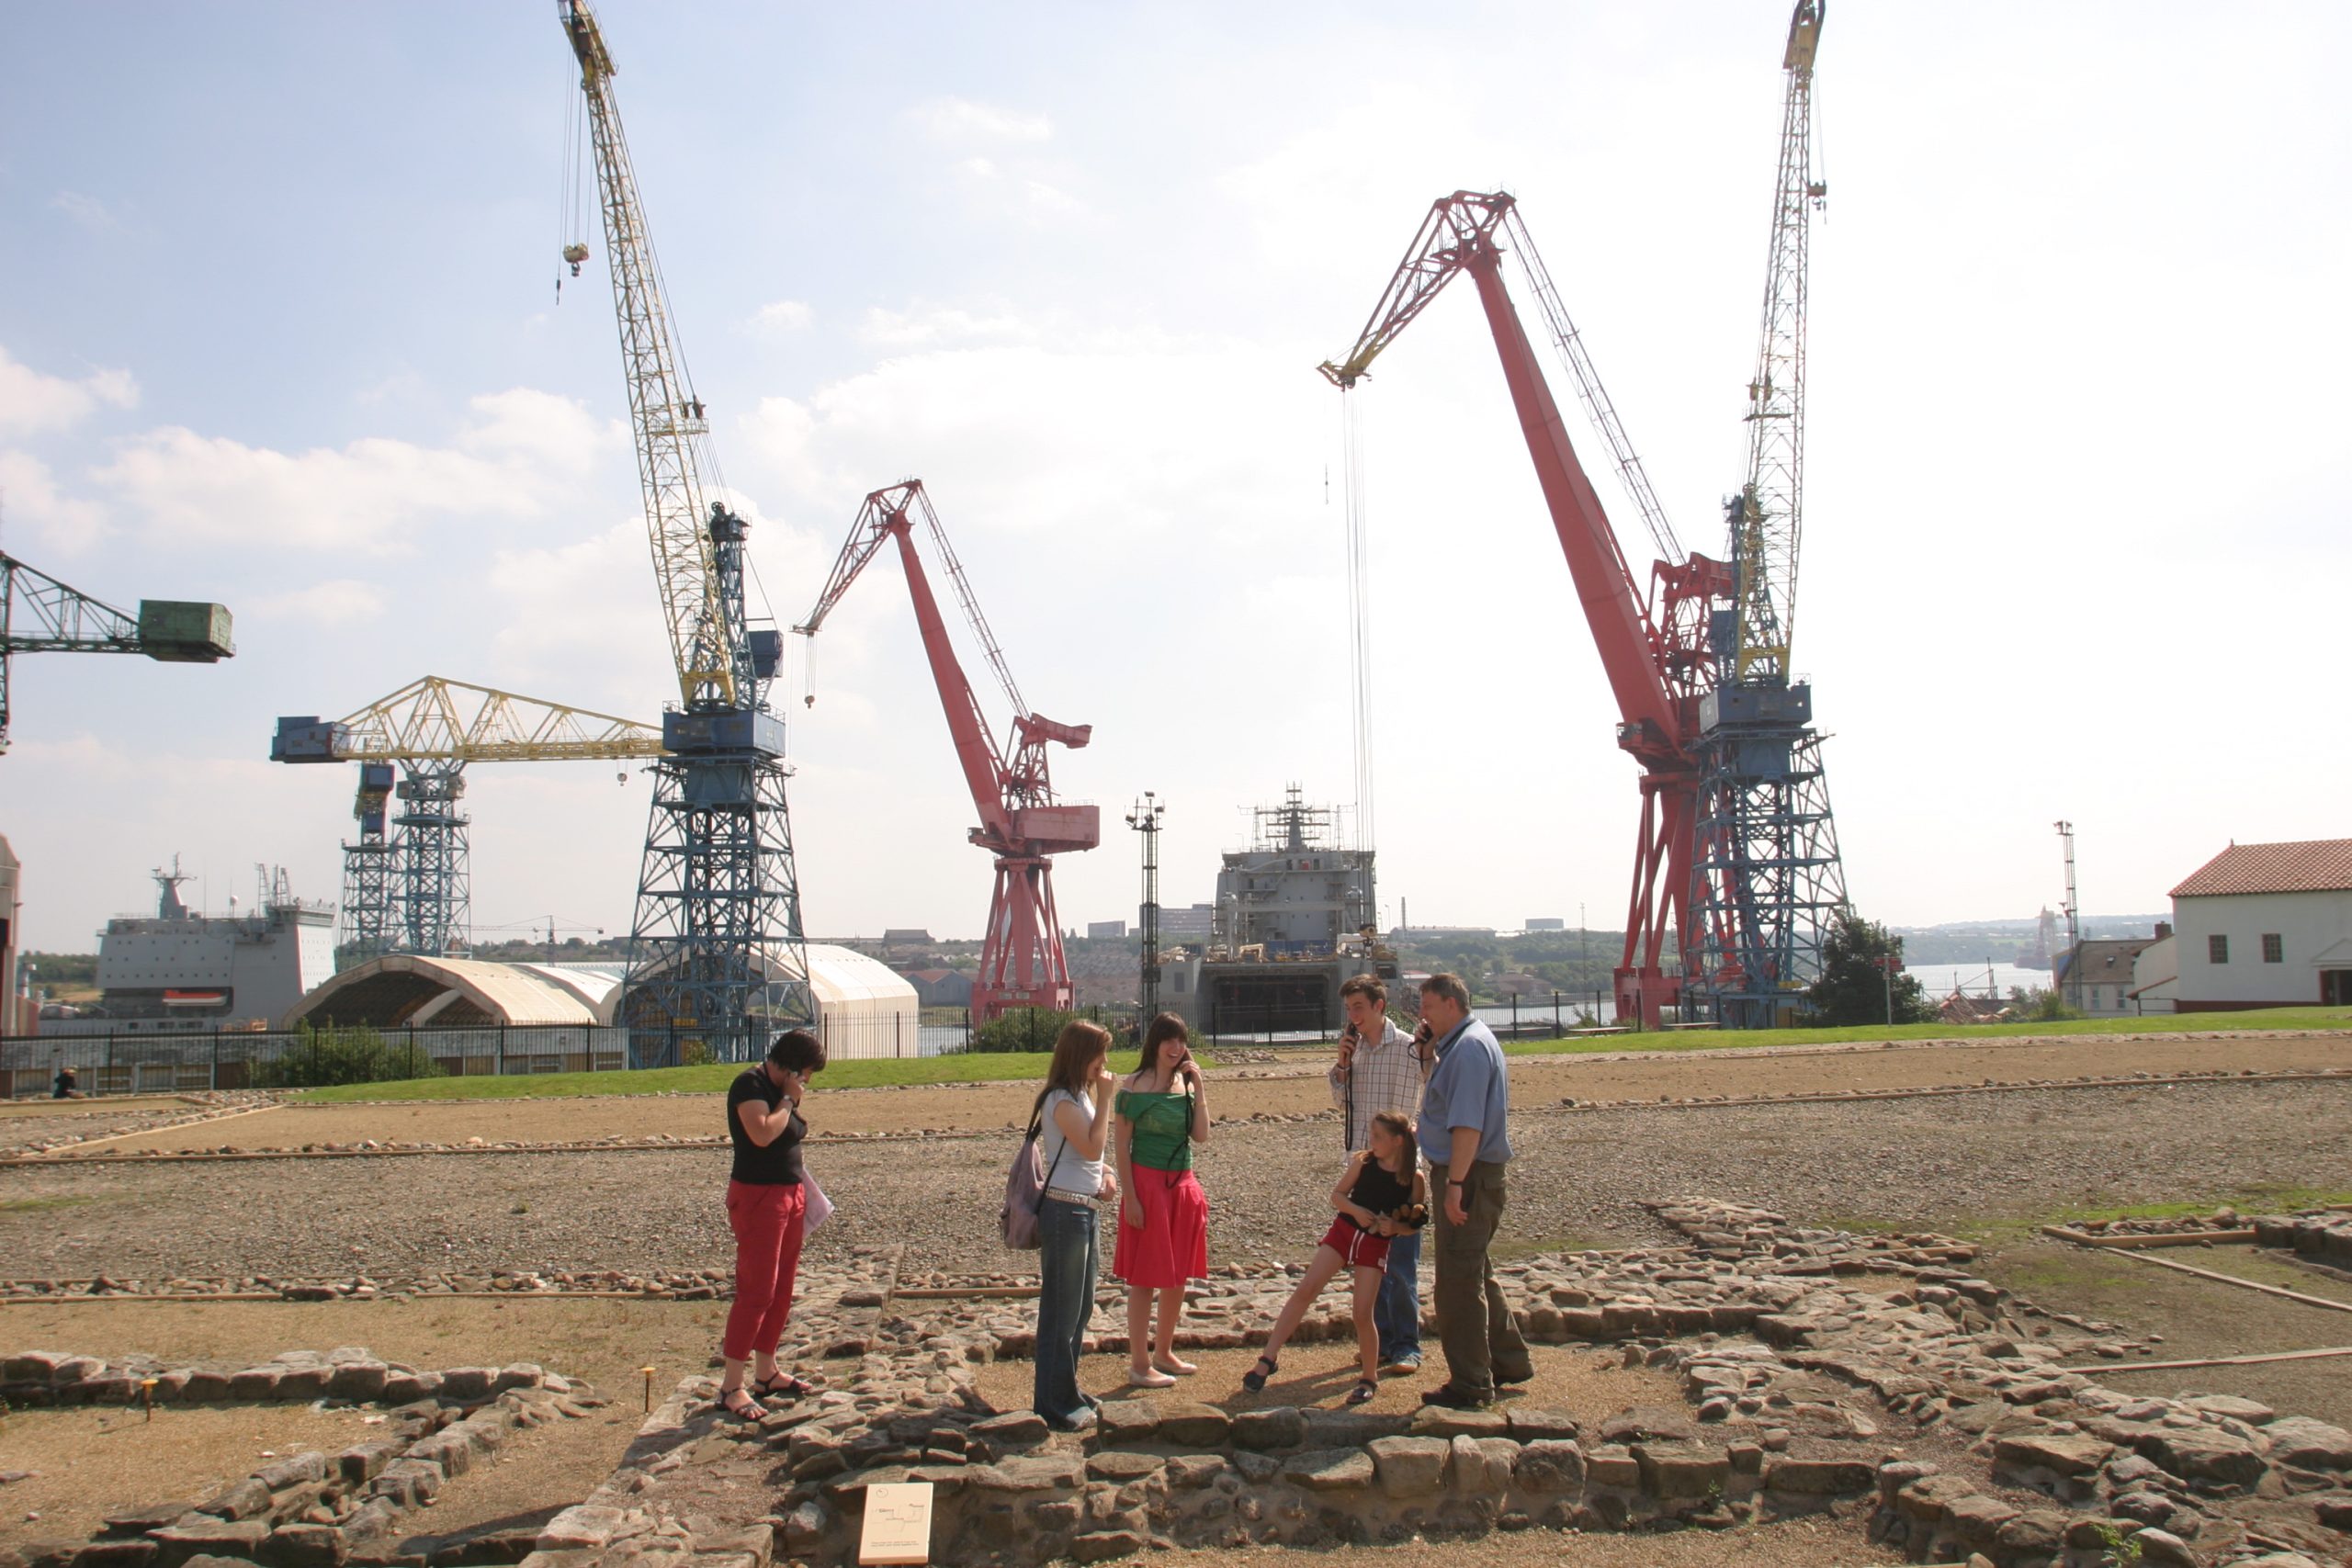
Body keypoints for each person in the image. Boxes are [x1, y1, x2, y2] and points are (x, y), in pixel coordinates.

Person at [1241, 1111, 1425, 1406]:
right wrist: (1355, 1211)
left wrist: (1396, 1228)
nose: (1371, 1141)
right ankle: (1267, 1358)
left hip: (1375, 1245)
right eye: (1371, 1135)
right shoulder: (1363, 1162)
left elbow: (1416, 1221)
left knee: (1362, 1314)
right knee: (1306, 1291)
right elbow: (1337, 1196)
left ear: (1398, 1140)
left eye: (1378, 1136)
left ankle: (1368, 1378)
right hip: (1343, 1233)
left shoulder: (1413, 1179)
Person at [1415, 973, 1532, 1410]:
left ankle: (1470, 1383)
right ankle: (1509, 1361)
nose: (1421, 1015)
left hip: (1468, 1175)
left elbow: (1467, 1126)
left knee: (1457, 1284)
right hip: (1475, 1173)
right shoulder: (1467, 1042)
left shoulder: (1466, 1050)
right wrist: (1428, 1051)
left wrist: (1455, 1187)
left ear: (1450, 1005)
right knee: (1476, 1269)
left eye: (1427, 1007)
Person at [717, 1029, 826, 1420]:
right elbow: (762, 1133)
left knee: (781, 1289)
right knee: (756, 1290)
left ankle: (766, 1371)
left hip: (789, 1194)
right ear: (790, 1066)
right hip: (758, 1197)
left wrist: (789, 1104)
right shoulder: (750, 1084)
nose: (808, 1081)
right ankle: (732, 1385)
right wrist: (786, 1101)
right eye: (806, 1072)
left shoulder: (784, 1093)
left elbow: (792, 1131)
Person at [1327, 972, 1428, 1373]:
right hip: (1364, 1169)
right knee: (1371, 1264)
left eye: (1359, 1008)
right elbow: (1340, 1103)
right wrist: (1341, 1065)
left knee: (1401, 1264)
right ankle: (1382, 1341)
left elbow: (1429, 1092)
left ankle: (1407, 1346)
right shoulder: (1356, 1053)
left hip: (1401, 1171)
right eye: (1349, 1009)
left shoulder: (1409, 1050)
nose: (1353, 1016)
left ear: (1379, 1007)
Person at [1030, 1019, 1122, 1432]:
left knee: (1081, 1306)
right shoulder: (1061, 1100)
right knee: (1061, 1311)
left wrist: (1106, 1175)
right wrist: (1106, 1099)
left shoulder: (1079, 1096)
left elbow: (1090, 1157)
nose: (1105, 1063)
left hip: (1084, 1208)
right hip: (1065, 1212)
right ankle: (1052, 1403)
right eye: (1100, 1054)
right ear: (1082, 1055)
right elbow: (1091, 1144)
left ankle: (1067, 1389)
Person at [1113, 1012, 1211, 1388]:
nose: (1176, 1047)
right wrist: (1131, 1198)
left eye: (1181, 1040)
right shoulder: (1133, 1086)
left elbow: (1200, 1136)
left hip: (1183, 1185)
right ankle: (1139, 1364)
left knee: (1177, 1275)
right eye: (1169, 1040)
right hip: (1147, 1186)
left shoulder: (1184, 1086)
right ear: (1154, 1043)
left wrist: (1199, 1087)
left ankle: (1164, 1352)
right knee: (1144, 1278)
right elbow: (1121, 1147)